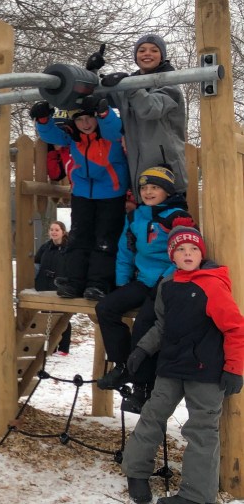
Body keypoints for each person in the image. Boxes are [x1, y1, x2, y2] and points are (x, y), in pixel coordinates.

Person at [120, 220, 244, 504]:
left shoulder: (212, 286)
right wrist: (142, 350)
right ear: (172, 255)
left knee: (201, 429)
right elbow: (162, 326)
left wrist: (234, 369)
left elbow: (236, 328)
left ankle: (196, 495)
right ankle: (136, 470)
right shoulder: (168, 285)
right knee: (152, 415)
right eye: (181, 249)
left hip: (206, 372)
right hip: (172, 367)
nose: (188, 253)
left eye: (193, 249)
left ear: (201, 254)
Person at [95, 166, 190, 414]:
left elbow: (184, 252)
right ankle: (123, 365)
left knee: (144, 325)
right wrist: (122, 284)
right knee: (105, 308)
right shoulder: (135, 217)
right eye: (144, 188)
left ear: (167, 191)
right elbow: (126, 251)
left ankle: (142, 388)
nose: (148, 192)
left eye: (154, 187)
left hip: (168, 280)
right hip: (142, 279)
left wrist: (167, 280)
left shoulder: (177, 216)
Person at [31, 100, 129, 300]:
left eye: (89, 118)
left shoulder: (109, 136)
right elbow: (51, 135)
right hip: (82, 194)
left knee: (105, 240)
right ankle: (75, 282)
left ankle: (99, 284)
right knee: (78, 238)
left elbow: (115, 129)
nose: (85, 124)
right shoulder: (74, 139)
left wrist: (104, 112)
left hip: (111, 194)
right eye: (80, 120)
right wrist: (43, 120)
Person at [88, 35, 187, 198]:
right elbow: (94, 97)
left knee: (168, 222)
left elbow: (150, 108)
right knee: (141, 223)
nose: (147, 54)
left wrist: (129, 85)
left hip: (167, 176)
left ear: (162, 55)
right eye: (142, 50)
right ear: (136, 56)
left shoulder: (170, 85)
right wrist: (91, 72)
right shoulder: (128, 86)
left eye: (154, 50)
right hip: (138, 179)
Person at [34, 221, 72, 354]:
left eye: (57, 230)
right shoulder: (45, 247)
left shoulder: (69, 247)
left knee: (62, 316)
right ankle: (51, 345)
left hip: (61, 285)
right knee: (47, 315)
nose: (54, 232)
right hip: (45, 284)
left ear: (63, 231)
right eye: (51, 230)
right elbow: (36, 263)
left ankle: (63, 347)